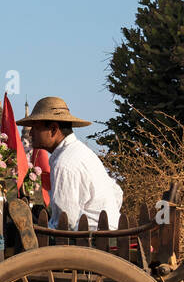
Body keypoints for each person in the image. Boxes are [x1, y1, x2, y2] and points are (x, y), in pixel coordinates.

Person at [17, 96, 122, 230]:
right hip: (107, 233)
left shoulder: (65, 163)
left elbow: (66, 221)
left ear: (54, 129)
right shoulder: (80, 152)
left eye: (36, 128)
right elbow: (117, 193)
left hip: (91, 238)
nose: (31, 133)